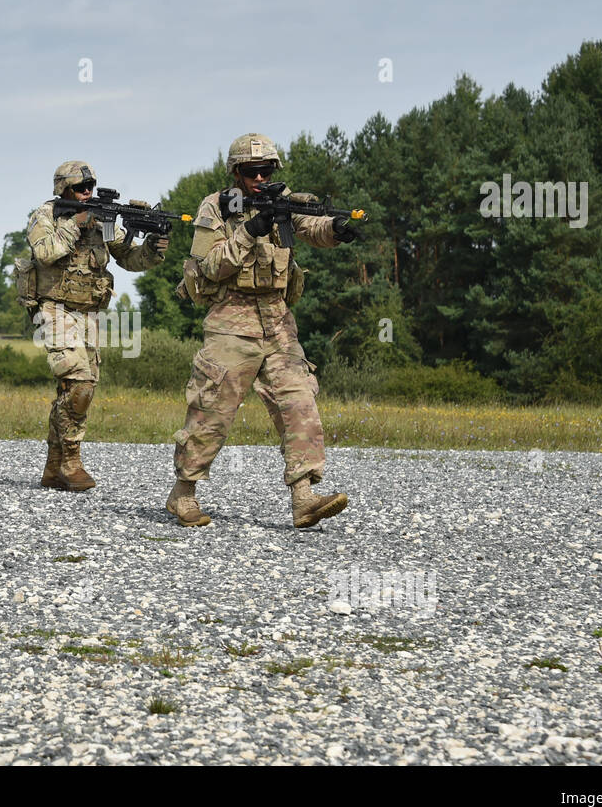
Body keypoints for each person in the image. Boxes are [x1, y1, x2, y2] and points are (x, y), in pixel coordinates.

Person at [167, 133, 359, 528]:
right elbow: (209, 266)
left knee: (299, 397)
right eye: (252, 171)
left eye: (266, 170)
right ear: (236, 173)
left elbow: (311, 225)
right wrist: (250, 229)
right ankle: (183, 492)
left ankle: (304, 496)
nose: (260, 178)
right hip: (230, 320)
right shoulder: (215, 207)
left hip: (277, 318)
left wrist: (337, 229)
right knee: (212, 408)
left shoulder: (282, 200)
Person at [26, 161, 167, 490]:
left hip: (90, 315)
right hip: (55, 309)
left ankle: (52, 468)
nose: (87, 193)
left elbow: (129, 258)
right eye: (80, 188)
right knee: (80, 385)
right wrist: (77, 223)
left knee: (72, 390)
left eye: (90, 187)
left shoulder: (102, 221)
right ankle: (71, 462)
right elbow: (46, 253)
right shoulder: (45, 216)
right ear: (64, 190)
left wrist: (153, 248)